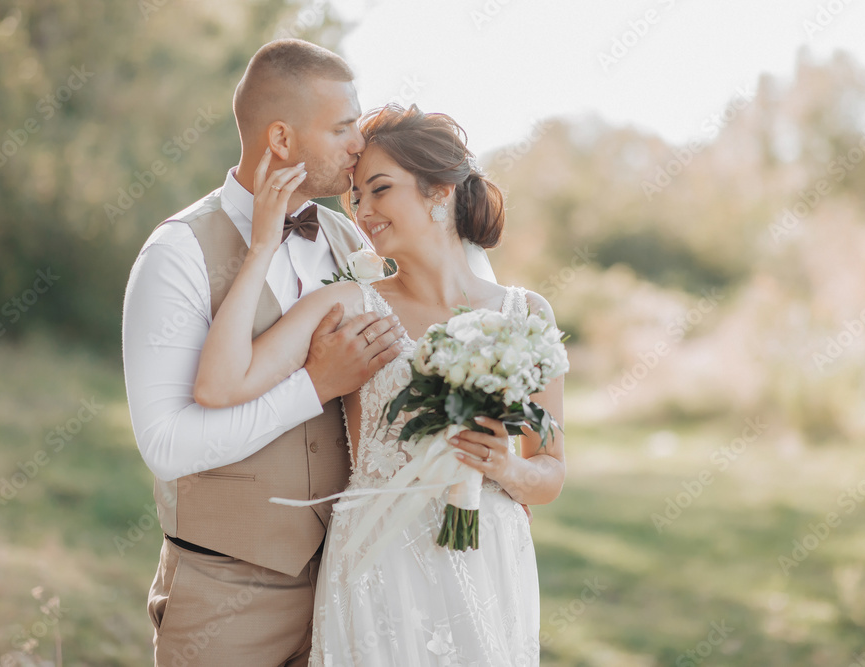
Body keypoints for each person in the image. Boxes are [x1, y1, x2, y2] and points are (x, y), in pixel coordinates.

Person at [194, 103, 566, 665]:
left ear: (440, 191)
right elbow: (220, 384)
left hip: (489, 556)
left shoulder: (526, 313)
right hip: (379, 558)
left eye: (379, 189)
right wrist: (262, 246)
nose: (362, 211)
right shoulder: (348, 306)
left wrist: (506, 467)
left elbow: (551, 471)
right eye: (355, 196)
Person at [121, 40, 431, 666]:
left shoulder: (349, 238)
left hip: (347, 584)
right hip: (226, 595)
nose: (358, 144)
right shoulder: (177, 253)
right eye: (343, 127)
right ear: (282, 140)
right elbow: (167, 445)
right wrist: (312, 386)